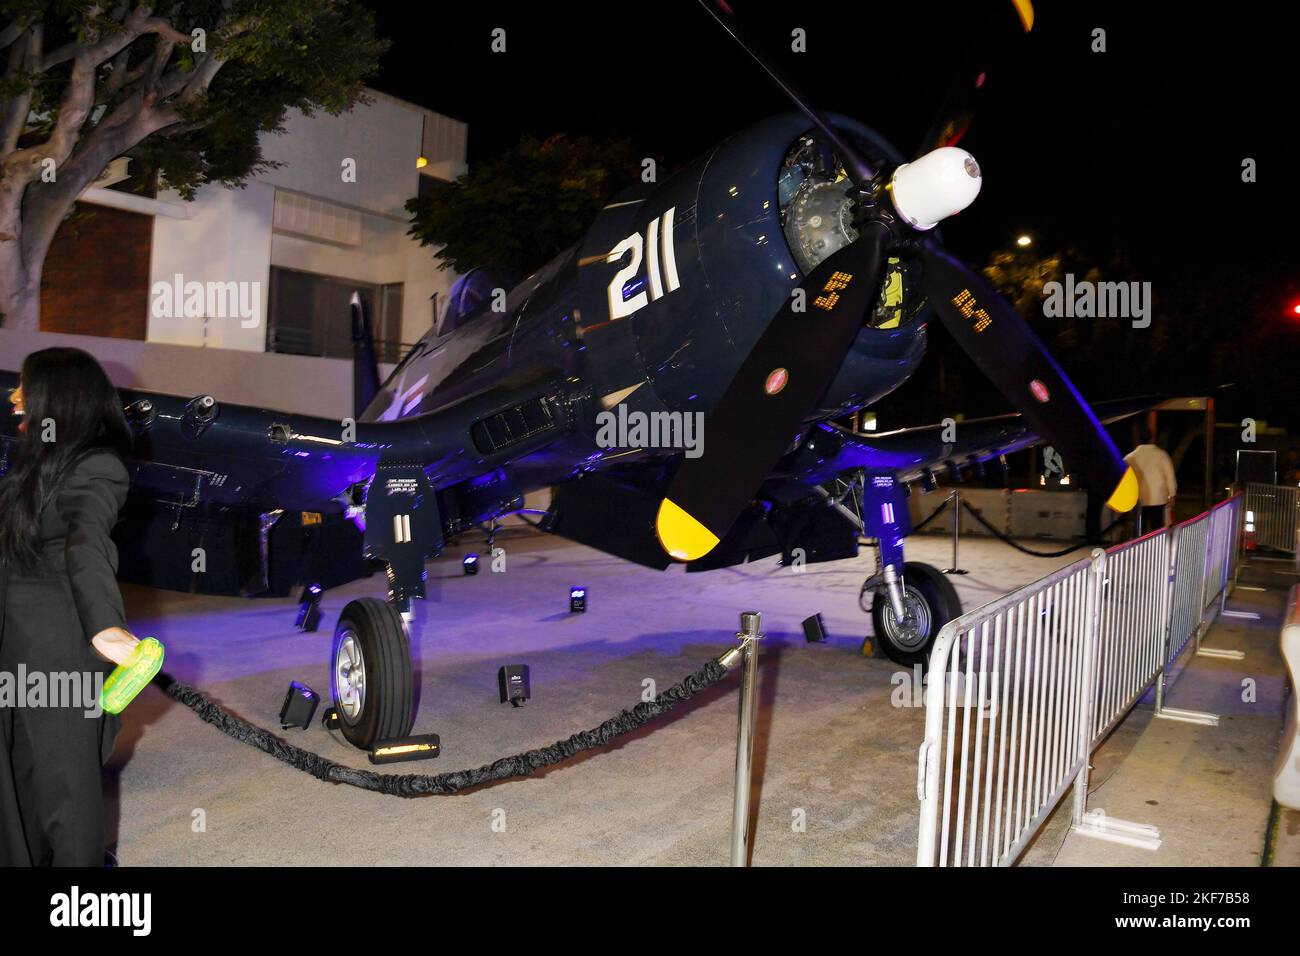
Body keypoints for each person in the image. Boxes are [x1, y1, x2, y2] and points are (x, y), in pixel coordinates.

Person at [0, 347, 138, 866]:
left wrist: (104, 626)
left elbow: (86, 543)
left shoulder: (98, 466)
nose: (15, 396)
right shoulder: (35, 463)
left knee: (66, 792)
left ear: (58, 395)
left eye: (24, 385)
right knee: (18, 782)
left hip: (57, 648)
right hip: (12, 643)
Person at [1124, 431, 1177, 534]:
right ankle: (1157, 547)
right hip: (1158, 498)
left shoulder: (1130, 457)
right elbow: (1170, 477)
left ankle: (1139, 547)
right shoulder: (1162, 455)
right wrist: (1172, 494)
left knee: (1139, 528)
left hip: (1138, 499)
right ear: (1152, 439)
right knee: (1157, 528)